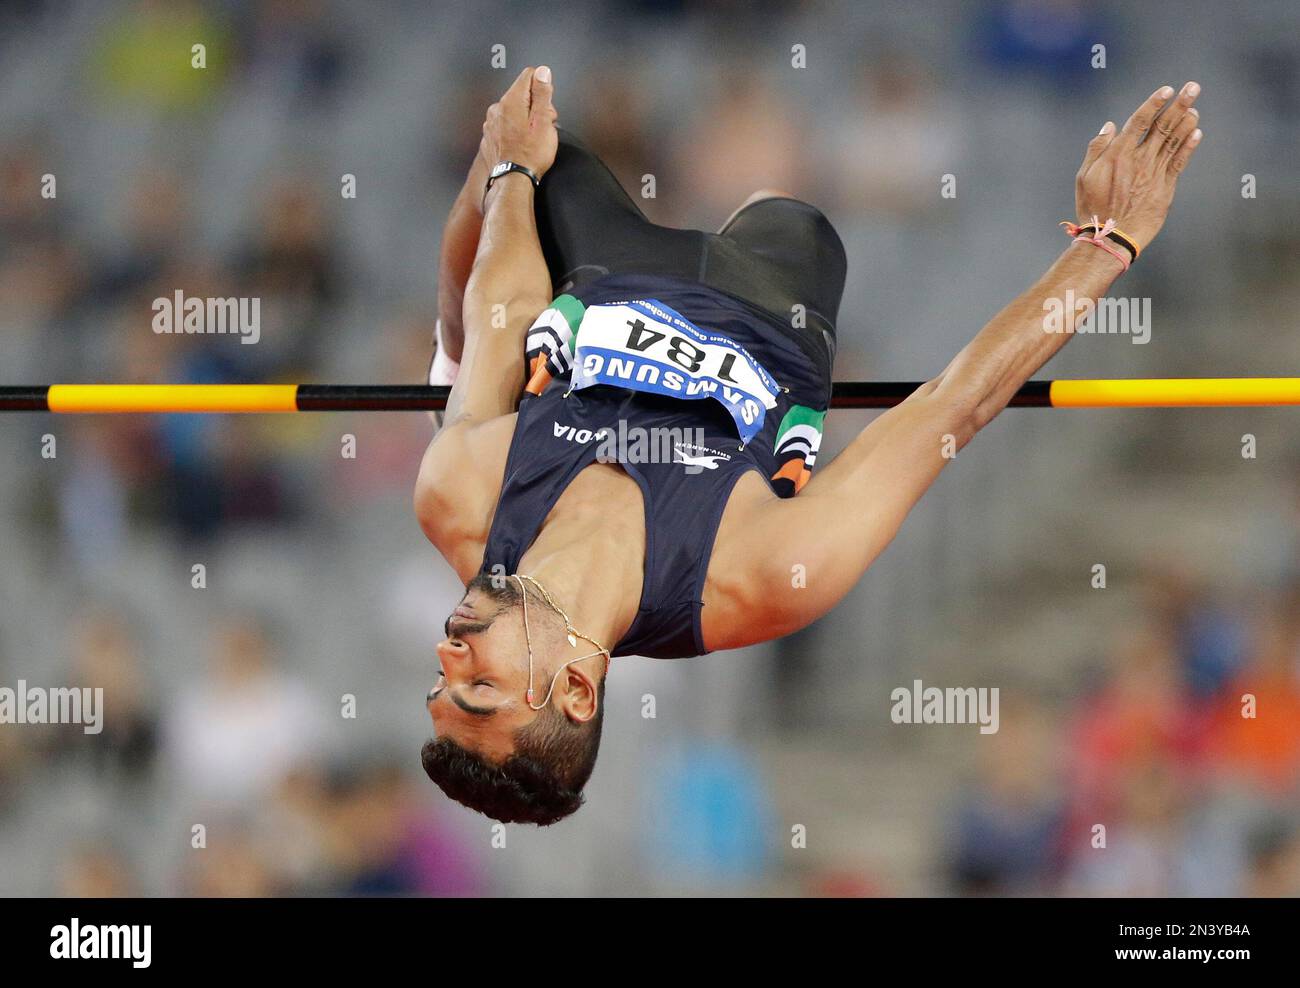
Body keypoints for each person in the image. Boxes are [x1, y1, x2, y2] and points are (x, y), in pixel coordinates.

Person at [415, 66, 1204, 824]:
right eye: (478, 686)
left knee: (512, 171)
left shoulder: (466, 503)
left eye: (439, 685)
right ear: (578, 689)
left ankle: (455, 332)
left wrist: (509, 170)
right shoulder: (756, 576)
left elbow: (506, 302)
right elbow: (952, 408)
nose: (450, 656)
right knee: (787, 205)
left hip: (605, 267)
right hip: (771, 296)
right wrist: (1105, 245)